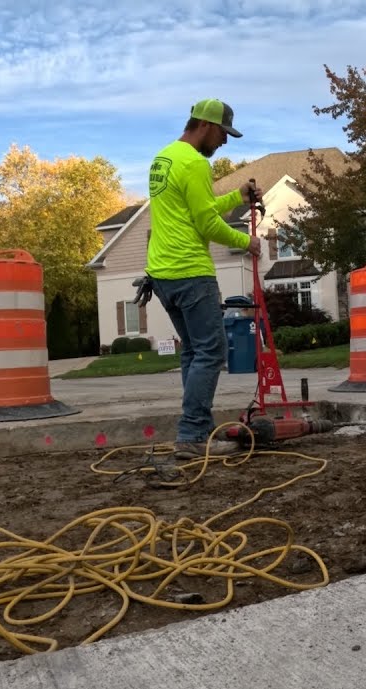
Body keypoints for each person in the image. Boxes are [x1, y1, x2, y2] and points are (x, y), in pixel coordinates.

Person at [138, 99, 262, 459]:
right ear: (206, 125)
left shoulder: (164, 159)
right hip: (191, 272)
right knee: (212, 351)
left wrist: (237, 197)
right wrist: (247, 242)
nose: (224, 142)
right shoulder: (195, 163)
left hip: (162, 273)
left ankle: (199, 428)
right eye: (224, 133)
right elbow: (206, 224)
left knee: (193, 352)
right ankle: (191, 434)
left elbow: (196, 209)